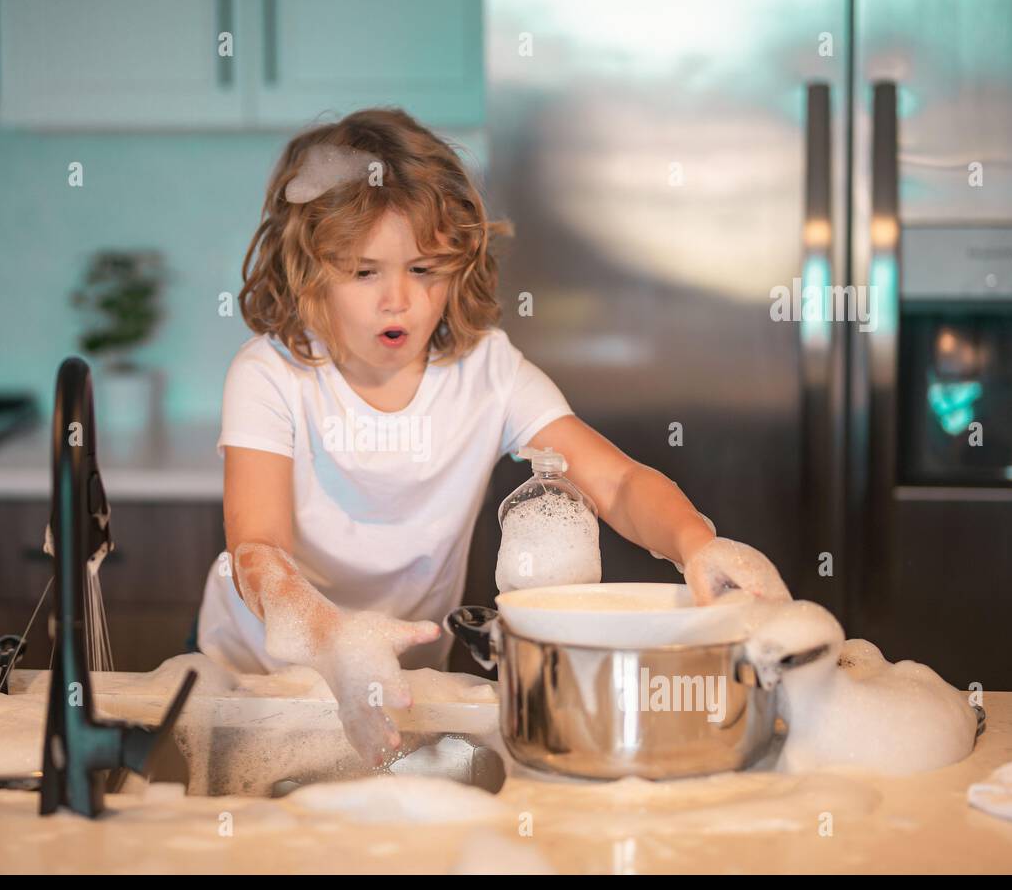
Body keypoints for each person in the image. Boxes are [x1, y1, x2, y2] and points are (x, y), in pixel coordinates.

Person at [196, 108, 790, 765]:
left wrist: (696, 543)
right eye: (364, 271)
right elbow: (257, 550)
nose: (398, 299)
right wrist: (333, 640)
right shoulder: (270, 376)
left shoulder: (487, 372)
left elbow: (616, 482)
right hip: (258, 685)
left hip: (403, 683)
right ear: (308, 279)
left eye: (424, 269)